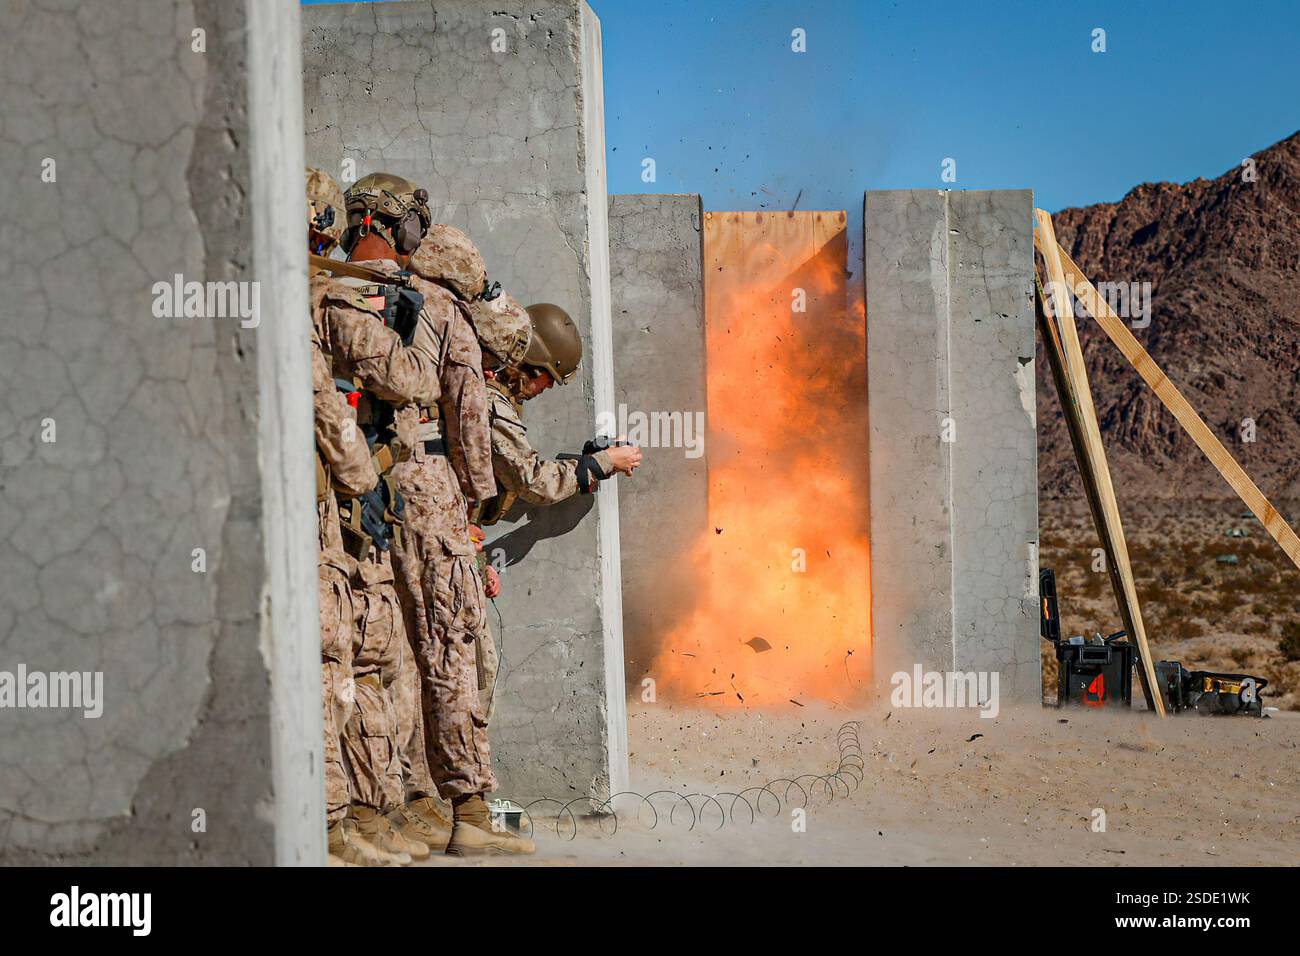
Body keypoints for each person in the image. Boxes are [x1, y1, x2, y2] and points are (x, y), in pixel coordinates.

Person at [348, 211, 533, 856]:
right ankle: (470, 806)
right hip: (428, 487)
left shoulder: (334, 290)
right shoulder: (440, 306)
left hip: (359, 484)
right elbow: (469, 417)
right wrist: (474, 498)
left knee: (384, 648)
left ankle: (402, 804)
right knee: (450, 643)